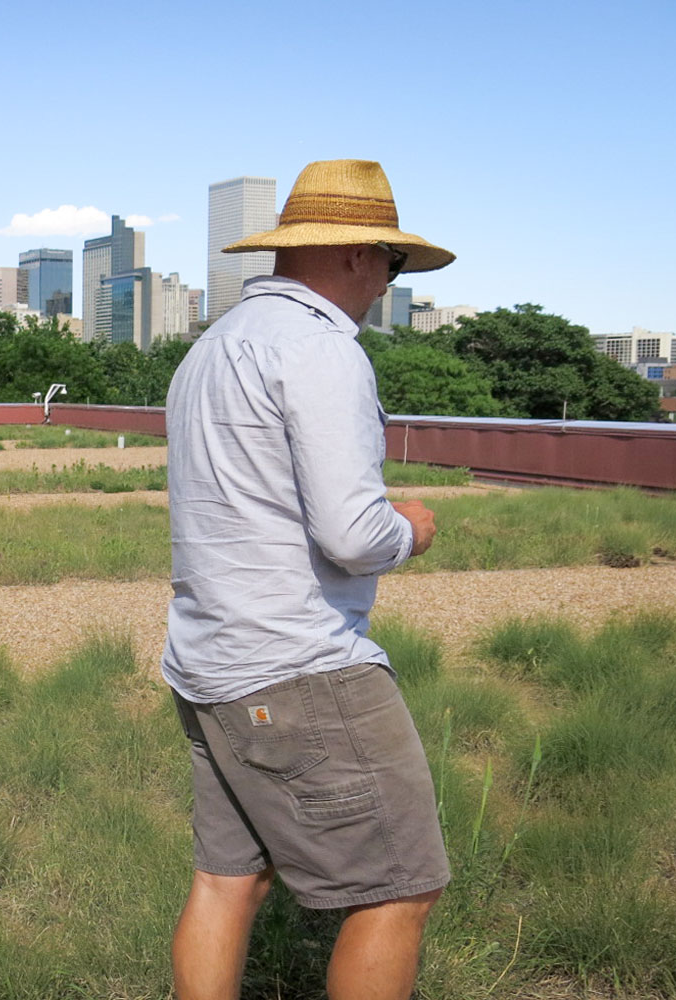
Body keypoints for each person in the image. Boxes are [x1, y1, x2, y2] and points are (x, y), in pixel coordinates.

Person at [163, 159, 453, 1000]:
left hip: (209, 661)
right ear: (360, 254)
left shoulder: (210, 349)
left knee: (229, 880)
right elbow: (353, 534)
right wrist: (414, 531)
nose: (389, 283)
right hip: (300, 669)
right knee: (401, 887)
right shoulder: (323, 351)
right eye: (393, 264)